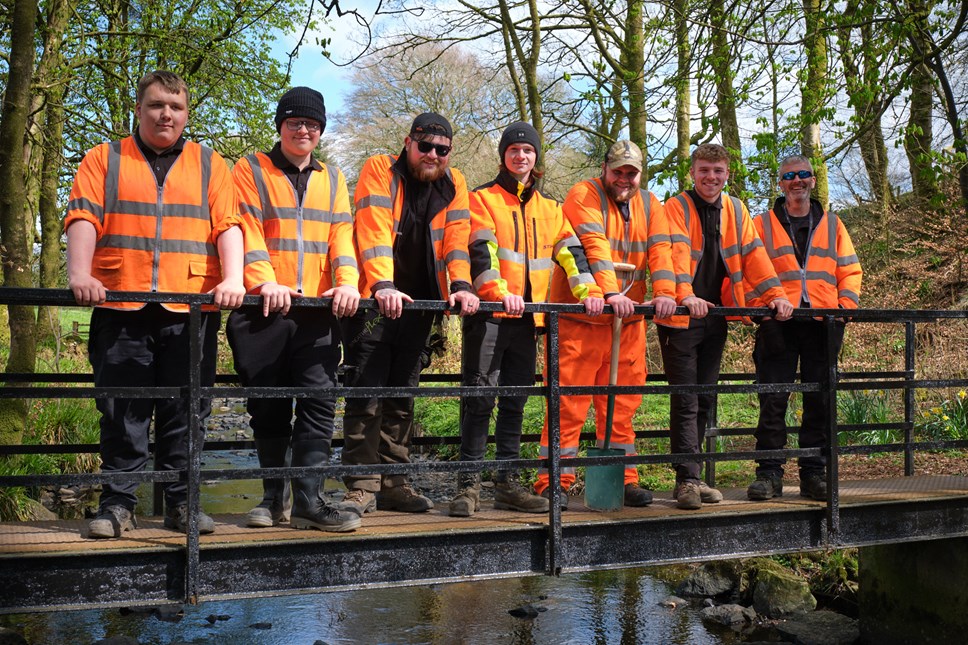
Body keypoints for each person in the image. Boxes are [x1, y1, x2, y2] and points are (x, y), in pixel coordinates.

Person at [65, 70, 246, 538]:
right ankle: (118, 505)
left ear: (186, 114)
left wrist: (233, 278)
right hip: (120, 302)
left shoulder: (210, 164)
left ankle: (182, 503)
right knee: (121, 410)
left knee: (186, 411)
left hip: (190, 308)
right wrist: (79, 274)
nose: (167, 114)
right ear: (139, 109)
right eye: (157, 105)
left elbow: (228, 225)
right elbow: (83, 215)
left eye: (176, 107)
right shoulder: (104, 158)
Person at [449, 122, 603, 517]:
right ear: (504, 155)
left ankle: (507, 484)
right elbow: (481, 251)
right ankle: (468, 487)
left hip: (528, 321)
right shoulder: (483, 198)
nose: (521, 156)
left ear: (536, 158)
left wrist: (590, 292)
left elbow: (572, 255)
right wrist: (498, 292)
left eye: (528, 150)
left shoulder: (551, 209)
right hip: (491, 316)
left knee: (515, 402)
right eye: (514, 149)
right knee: (479, 399)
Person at [227, 87, 361, 532]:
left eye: (312, 124)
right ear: (280, 126)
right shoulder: (250, 168)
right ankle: (272, 498)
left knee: (319, 402)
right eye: (295, 122)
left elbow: (341, 235)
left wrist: (348, 282)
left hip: (316, 310)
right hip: (262, 307)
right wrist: (264, 280)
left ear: (321, 130)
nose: (304, 130)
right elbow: (246, 225)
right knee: (268, 406)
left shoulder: (334, 178)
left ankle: (309, 499)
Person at [340, 113, 479, 518]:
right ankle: (362, 485)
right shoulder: (380, 170)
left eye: (442, 149)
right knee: (366, 394)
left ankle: (394, 482)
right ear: (408, 143)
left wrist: (461, 284)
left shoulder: (454, 183)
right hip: (375, 302)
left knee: (402, 396)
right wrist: (382, 284)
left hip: (420, 306)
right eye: (425, 146)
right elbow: (372, 228)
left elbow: (456, 239)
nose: (433, 154)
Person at [533, 140, 678, 509]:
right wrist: (611, 293)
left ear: (641, 174)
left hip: (627, 325)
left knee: (622, 407)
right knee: (567, 406)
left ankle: (623, 479)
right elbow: (594, 245)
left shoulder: (652, 205)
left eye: (632, 173)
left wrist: (664, 293)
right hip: (580, 320)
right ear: (604, 169)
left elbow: (662, 251)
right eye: (618, 171)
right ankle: (554, 481)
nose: (624, 179)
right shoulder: (583, 195)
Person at [659, 143, 793, 510]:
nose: (711, 177)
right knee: (686, 398)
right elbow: (673, 257)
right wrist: (686, 295)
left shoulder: (735, 209)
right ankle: (686, 480)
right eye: (704, 170)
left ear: (727, 174)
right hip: (681, 317)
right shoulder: (676, 207)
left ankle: (695, 475)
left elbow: (754, 255)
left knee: (705, 397)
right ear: (692, 172)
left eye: (717, 171)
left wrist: (775, 295)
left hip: (715, 316)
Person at [746, 155, 862, 501]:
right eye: (789, 176)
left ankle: (814, 474)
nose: (797, 181)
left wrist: (845, 309)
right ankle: (769, 474)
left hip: (823, 322)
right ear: (780, 183)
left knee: (820, 400)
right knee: (773, 399)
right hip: (777, 321)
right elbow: (746, 270)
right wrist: (761, 312)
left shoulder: (833, 224)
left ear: (812, 180)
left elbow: (849, 269)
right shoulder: (761, 224)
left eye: (803, 175)